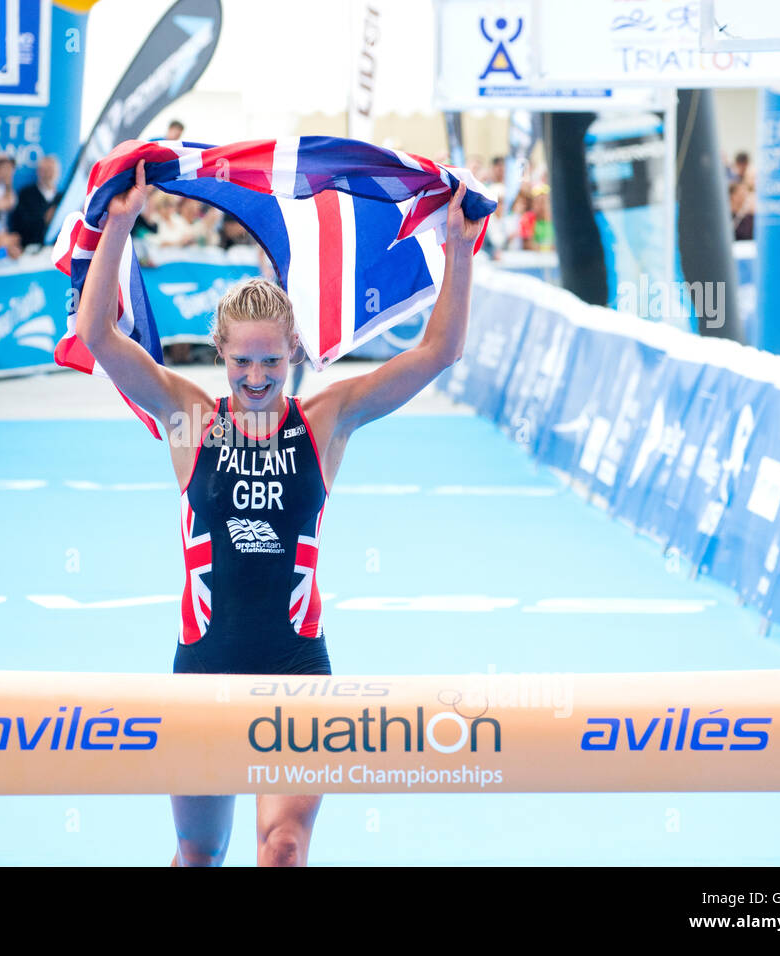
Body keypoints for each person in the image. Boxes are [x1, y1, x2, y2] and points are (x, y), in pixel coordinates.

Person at [74, 161, 483, 866]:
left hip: (298, 669)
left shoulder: (329, 421)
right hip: (202, 670)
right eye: (242, 365)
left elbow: (438, 351)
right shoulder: (188, 421)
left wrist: (458, 246)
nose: (258, 380)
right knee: (199, 855)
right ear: (220, 356)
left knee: (285, 846)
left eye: (272, 364)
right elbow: (101, 338)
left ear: (294, 351)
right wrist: (118, 221)